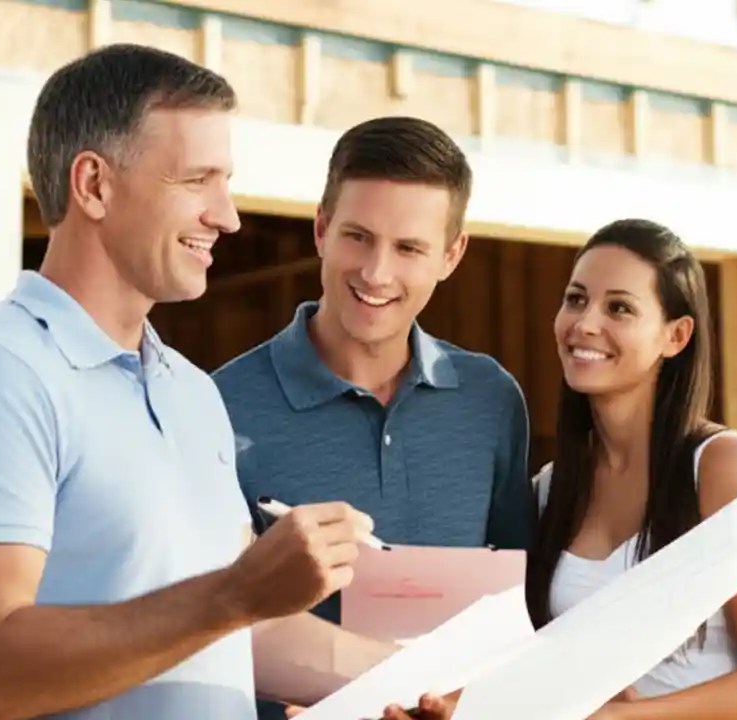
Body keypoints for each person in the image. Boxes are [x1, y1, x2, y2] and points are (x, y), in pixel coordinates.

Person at [0, 44, 397, 720]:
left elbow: (237, 632)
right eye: (198, 180)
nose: (228, 216)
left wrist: (413, 681)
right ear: (95, 185)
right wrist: (236, 592)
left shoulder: (193, 395)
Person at [385, 219, 737, 720]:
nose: (585, 323)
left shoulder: (722, 468)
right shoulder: (549, 491)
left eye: (620, 308)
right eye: (576, 299)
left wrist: (615, 717)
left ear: (675, 335)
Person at [211, 116, 535, 718]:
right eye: (358, 237)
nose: (377, 273)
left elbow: (516, 606)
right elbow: (204, 624)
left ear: (451, 255)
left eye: (409, 248)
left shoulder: (491, 401)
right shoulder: (217, 407)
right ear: (321, 230)